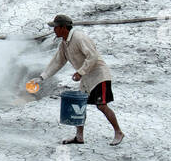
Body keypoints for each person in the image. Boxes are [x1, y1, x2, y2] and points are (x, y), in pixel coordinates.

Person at [30, 14, 124, 145]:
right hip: (86, 78)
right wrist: (42, 77)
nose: (54, 30)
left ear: (63, 27)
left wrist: (80, 72)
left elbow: (93, 56)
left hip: (99, 75)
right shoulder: (64, 43)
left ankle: (118, 132)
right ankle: (79, 137)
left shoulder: (79, 38)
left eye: (55, 27)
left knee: (101, 105)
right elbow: (57, 62)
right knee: (80, 106)